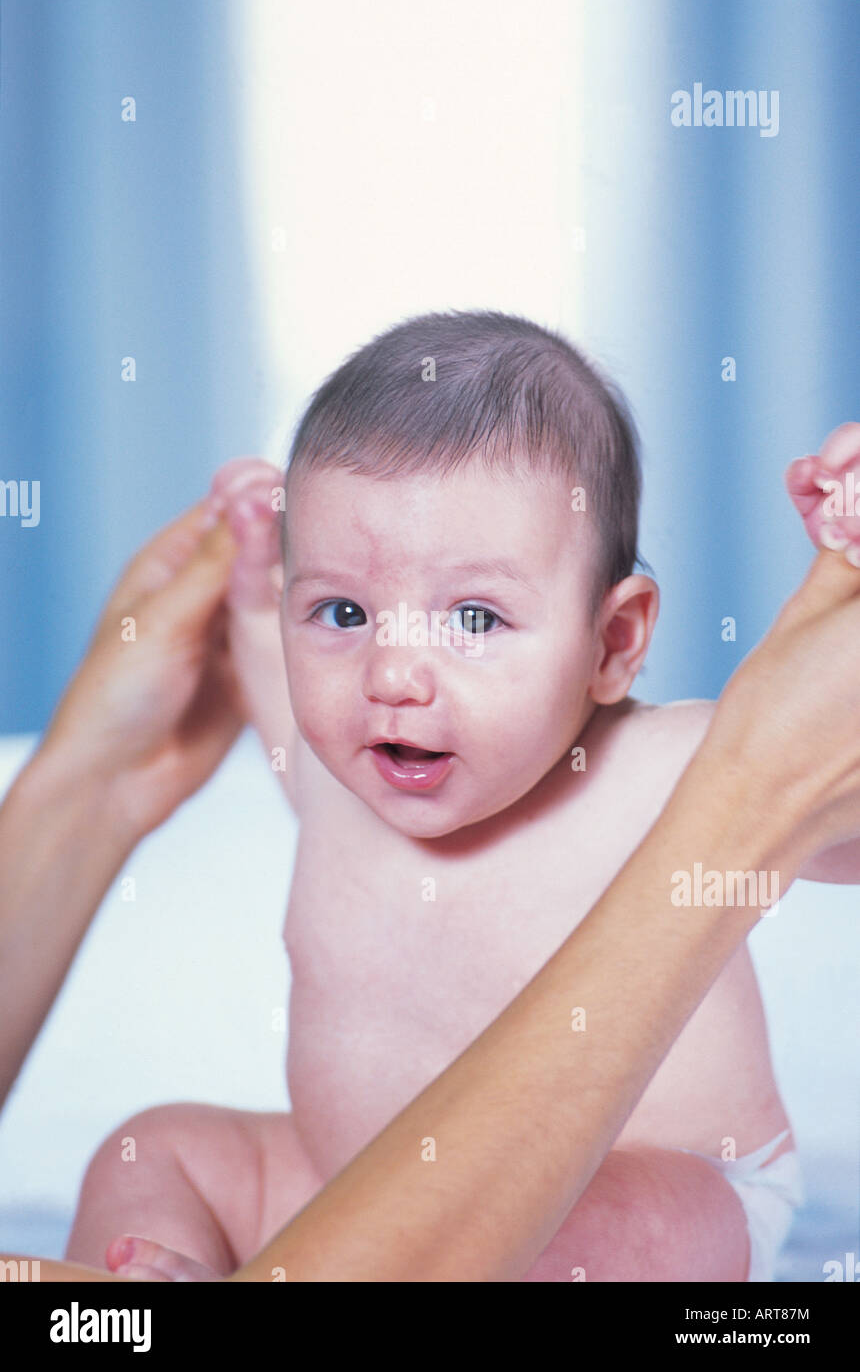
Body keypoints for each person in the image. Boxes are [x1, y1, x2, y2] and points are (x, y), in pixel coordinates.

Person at [1, 334, 858, 1284]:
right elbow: (263, 651)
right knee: (156, 1148)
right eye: (343, 614)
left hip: (665, 1188)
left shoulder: (668, 764)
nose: (392, 675)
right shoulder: (339, 772)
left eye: (475, 618)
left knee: (580, 1231)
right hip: (353, 1185)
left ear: (613, 641)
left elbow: (831, 800)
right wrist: (250, 573)